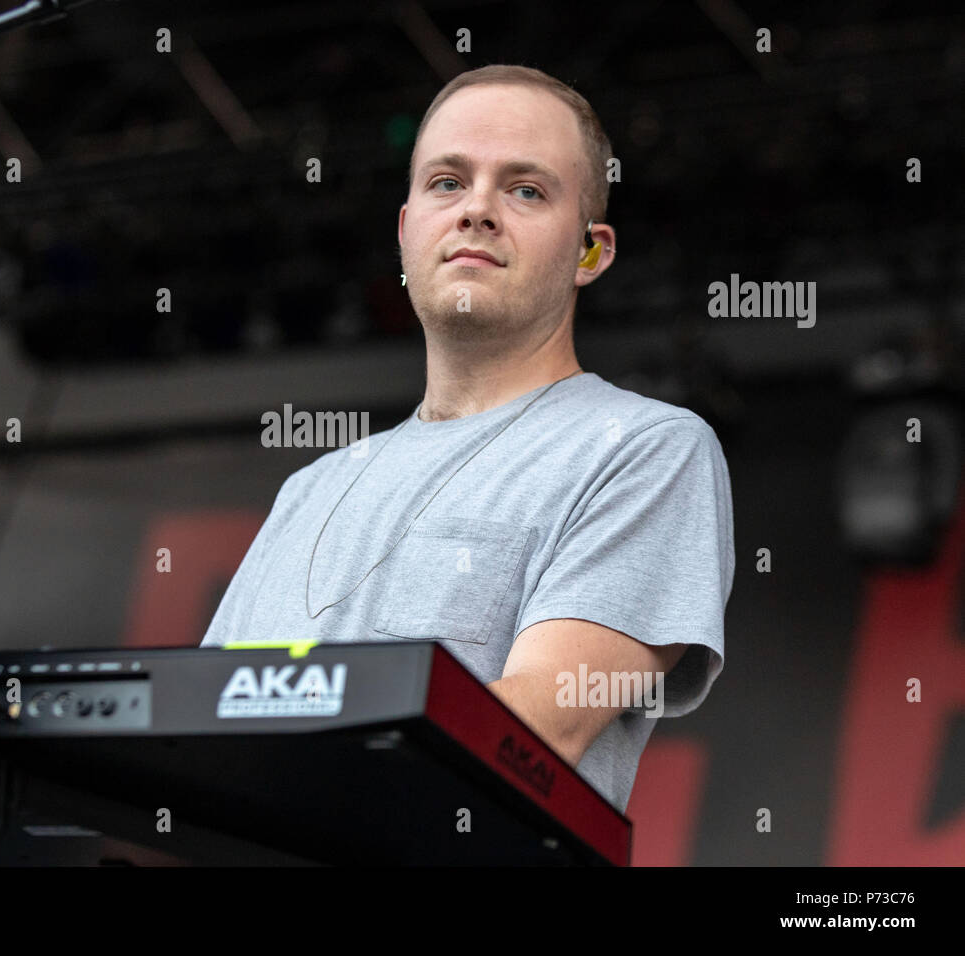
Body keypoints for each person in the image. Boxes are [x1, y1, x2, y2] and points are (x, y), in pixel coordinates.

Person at [201, 64, 734, 814]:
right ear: (405, 228)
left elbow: (535, 731)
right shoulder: (309, 489)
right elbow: (198, 735)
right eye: (447, 182)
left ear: (592, 251)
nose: (477, 210)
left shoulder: (645, 448)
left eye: (526, 190)